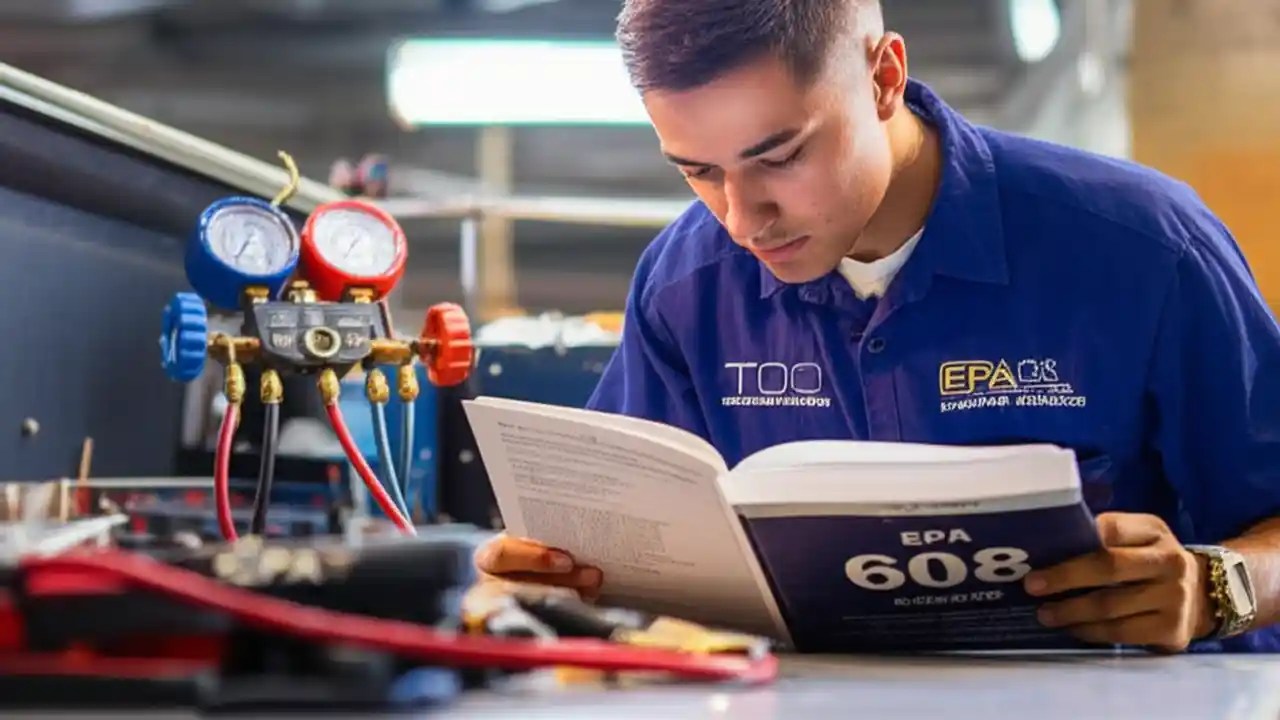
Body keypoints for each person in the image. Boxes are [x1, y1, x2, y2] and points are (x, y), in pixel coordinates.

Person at [474, 0, 1280, 654]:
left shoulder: (1143, 250)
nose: (743, 220)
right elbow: (620, 553)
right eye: (699, 171)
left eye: (781, 156)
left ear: (885, 77)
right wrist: (549, 575)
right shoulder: (684, 288)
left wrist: (1220, 588)